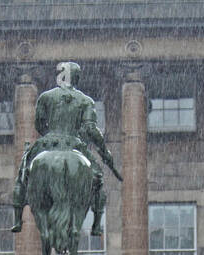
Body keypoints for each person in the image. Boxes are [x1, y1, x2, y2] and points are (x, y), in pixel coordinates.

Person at [10, 61, 121, 239]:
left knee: (23, 175)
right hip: (74, 144)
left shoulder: (45, 97)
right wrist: (104, 151)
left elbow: (38, 123)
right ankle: (97, 224)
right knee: (98, 179)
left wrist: (50, 135)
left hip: (47, 142)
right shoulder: (85, 100)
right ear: (76, 77)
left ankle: (17, 219)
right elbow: (91, 129)